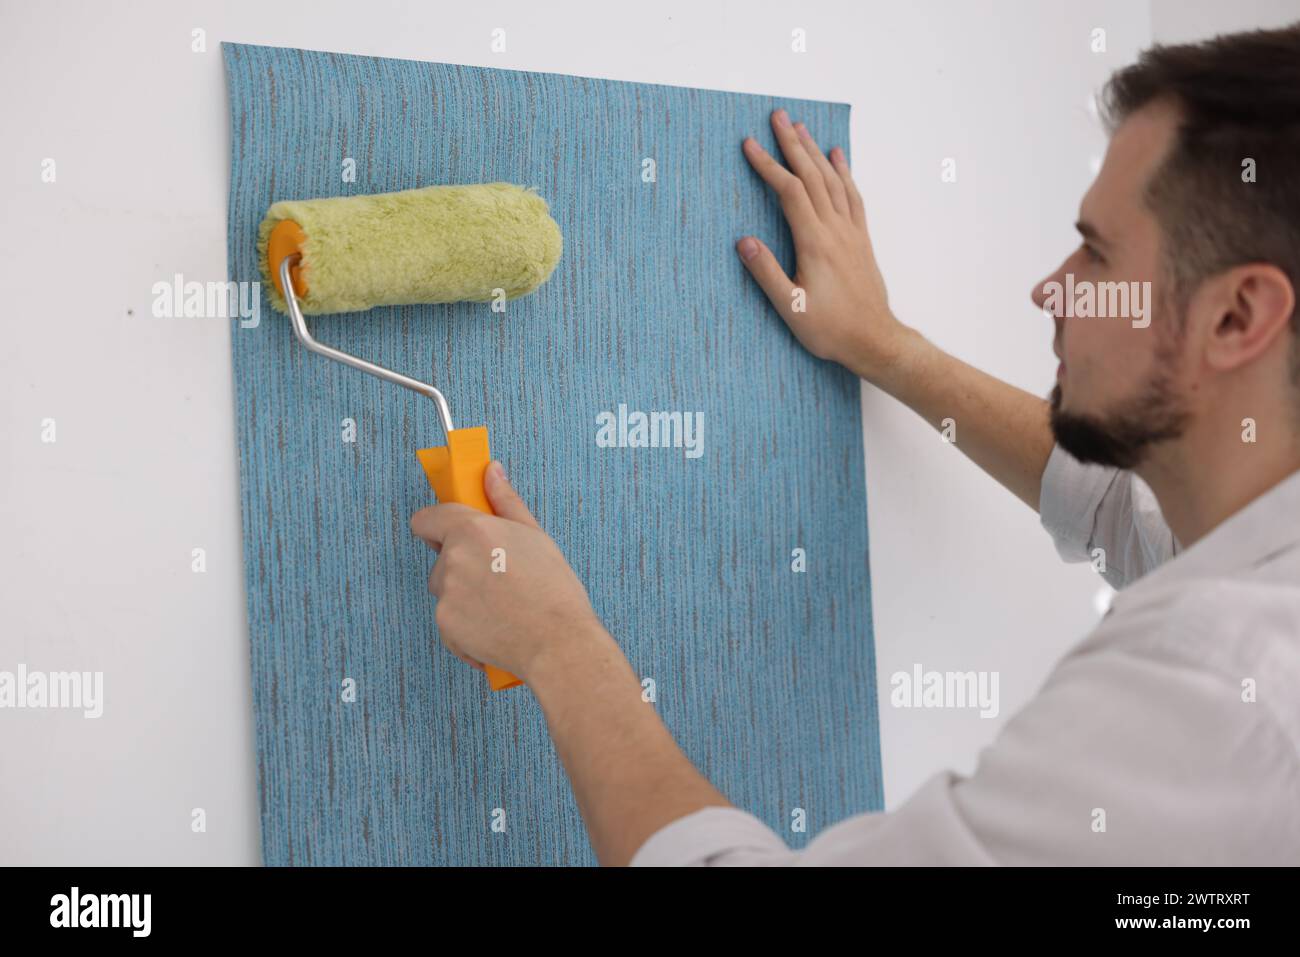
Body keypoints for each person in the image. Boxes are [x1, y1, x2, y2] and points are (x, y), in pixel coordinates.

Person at [410, 23, 1300, 865]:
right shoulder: (1256, 549)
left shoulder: (1222, 689)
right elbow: (1125, 510)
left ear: (1236, 316)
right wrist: (883, 344)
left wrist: (559, 642)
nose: (1051, 290)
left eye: (1096, 258)